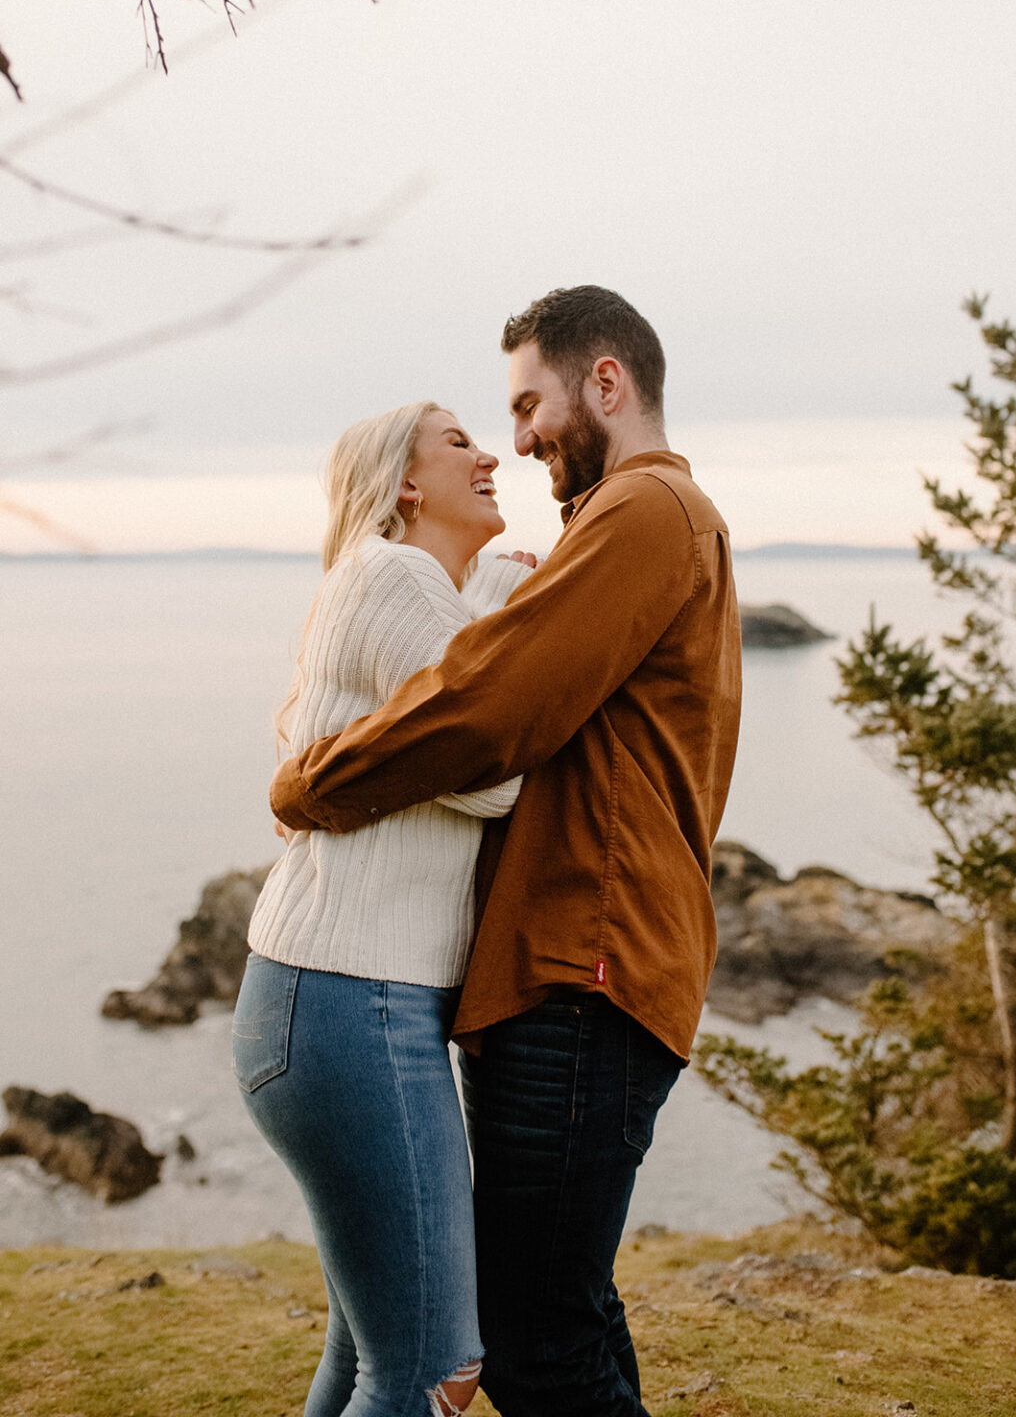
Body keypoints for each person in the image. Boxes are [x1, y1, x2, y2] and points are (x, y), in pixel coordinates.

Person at [270, 285, 744, 1417]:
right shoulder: (628, 523)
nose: (519, 436)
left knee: (535, 1337)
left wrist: (315, 778)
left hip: (583, 965)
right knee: (558, 1312)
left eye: (530, 404)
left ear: (607, 383)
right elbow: (501, 670)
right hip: (576, 963)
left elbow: (487, 708)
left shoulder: (644, 514)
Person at [233, 400, 533, 1417]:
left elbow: (470, 655)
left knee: (368, 1359)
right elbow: (492, 776)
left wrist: (508, 581)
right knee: (433, 1368)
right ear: (405, 483)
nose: (490, 452)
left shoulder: (413, 583)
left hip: (337, 1004)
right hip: (350, 1007)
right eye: (458, 443)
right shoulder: (391, 576)